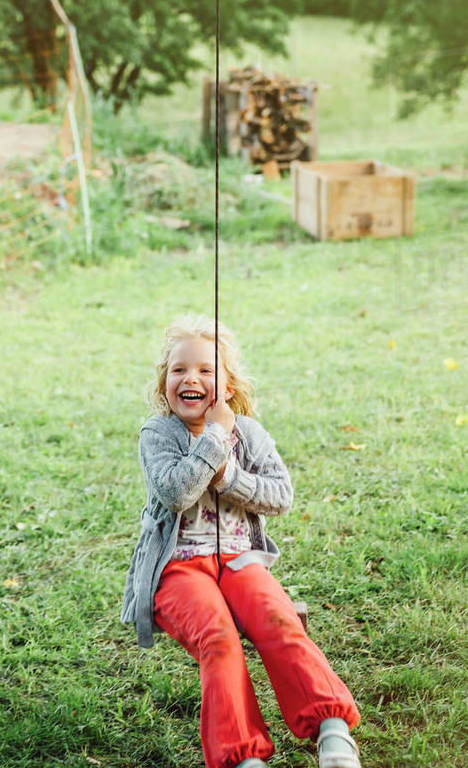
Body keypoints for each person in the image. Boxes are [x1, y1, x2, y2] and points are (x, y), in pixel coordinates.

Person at [122, 314, 361, 768]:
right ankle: (241, 757)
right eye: (178, 370)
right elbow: (175, 492)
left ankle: (332, 729)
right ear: (164, 382)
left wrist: (230, 474)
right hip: (178, 568)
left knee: (279, 620)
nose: (190, 378)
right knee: (218, 638)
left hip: (239, 561)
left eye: (206, 370)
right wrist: (213, 437)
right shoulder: (158, 434)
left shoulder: (248, 434)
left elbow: (281, 495)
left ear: (227, 388)